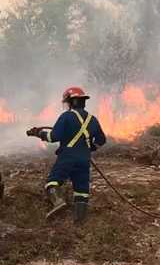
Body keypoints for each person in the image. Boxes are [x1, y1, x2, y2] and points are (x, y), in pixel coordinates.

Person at [26, 86, 106, 223]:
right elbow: (101, 140)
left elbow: (53, 137)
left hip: (68, 157)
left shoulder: (66, 116)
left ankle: (58, 202)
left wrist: (37, 133)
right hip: (84, 159)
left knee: (52, 182)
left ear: (71, 102)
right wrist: (89, 148)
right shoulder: (93, 119)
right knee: (81, 190)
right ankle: (80, 222)